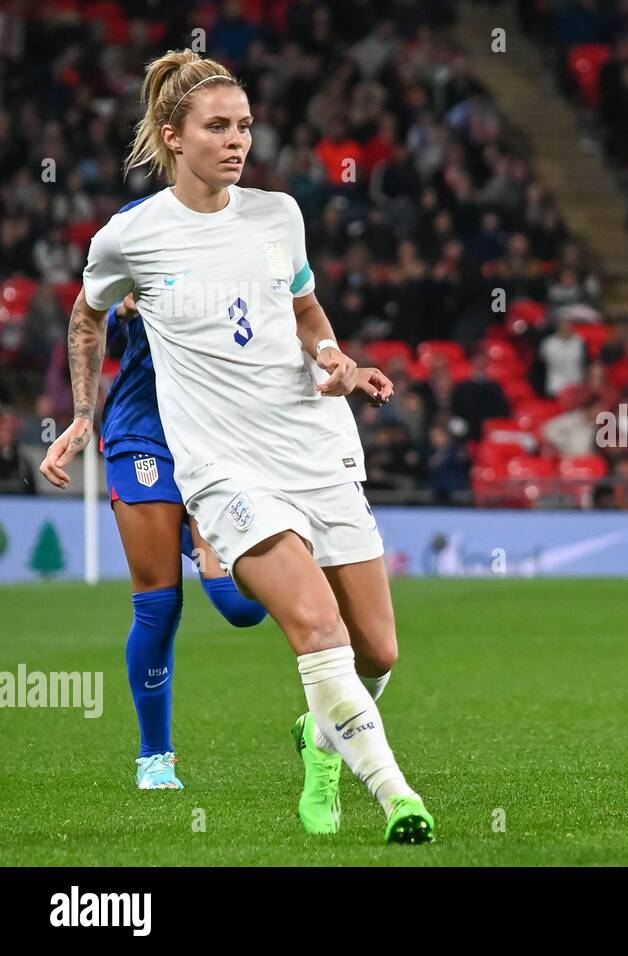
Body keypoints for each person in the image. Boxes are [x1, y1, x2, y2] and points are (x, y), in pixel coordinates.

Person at [39, 50, 432, 844]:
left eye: (245, 126)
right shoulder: (131, 238)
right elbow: (86, 318)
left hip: (314, 447)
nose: (237, 141)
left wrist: (336, 362)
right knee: (314, 630)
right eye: (218, 127)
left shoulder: (280, 214)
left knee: (378, 652)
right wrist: (83, 414)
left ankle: (320, 746)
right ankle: (399, 800)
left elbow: (309, 311)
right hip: (222, 466)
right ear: (172, 136)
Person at [101, 291, 268, 790]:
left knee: (241, 608)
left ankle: (185, 534)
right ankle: (155, 757)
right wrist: (121, 311)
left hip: (215, 443)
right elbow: (92, 325)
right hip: (145, 439)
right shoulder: (145, 225)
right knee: (159, 603)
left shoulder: (252, 238)